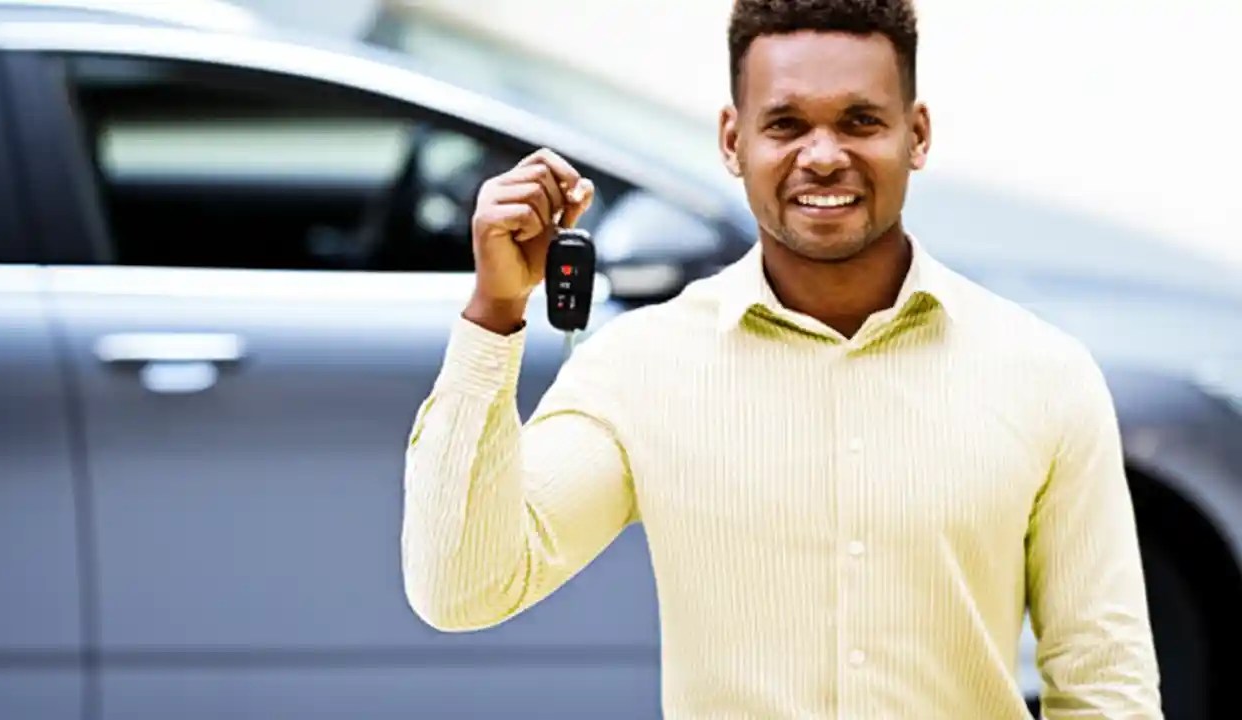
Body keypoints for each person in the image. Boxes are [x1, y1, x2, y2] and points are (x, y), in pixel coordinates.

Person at [400, 0, 1163, 717]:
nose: (823, 156)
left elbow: (1106, 681)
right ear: (734, 141)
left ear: (917, 134)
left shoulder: (1043, 374)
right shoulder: (640, 368)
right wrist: (495, 313)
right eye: (787, 124)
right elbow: (463, 587)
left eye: (861, 121)